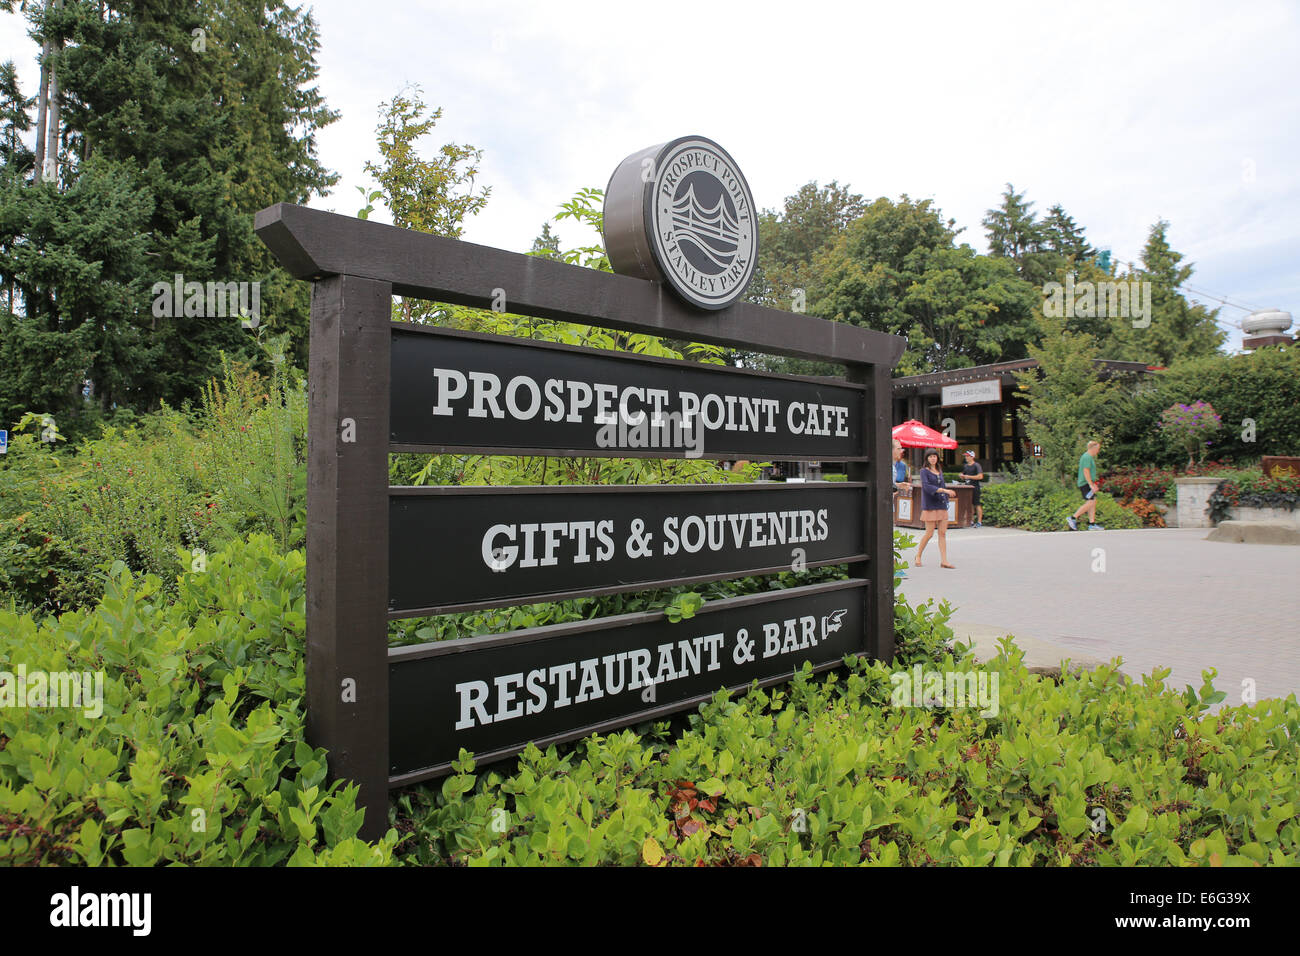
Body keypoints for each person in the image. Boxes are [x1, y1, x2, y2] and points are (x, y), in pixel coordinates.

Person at [914, 447, 957, 568]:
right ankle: (918, 555)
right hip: (930, 505)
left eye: (934, 456)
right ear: (927, 458)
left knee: (942, 533)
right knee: (929, 533)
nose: (933, 458)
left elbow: (942, 484)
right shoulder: (924, 471)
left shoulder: (939, 470)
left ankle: (944, 561)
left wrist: (946, 496)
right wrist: (945, 490)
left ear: (937, 458)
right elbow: (927, 487)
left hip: (941, 504)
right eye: (930, 456)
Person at [1067, 439, 1104, 531]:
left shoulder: (1088, 457)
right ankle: (1073, 518)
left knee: (1093, 501)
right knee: (1090, 502)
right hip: (1085, 483)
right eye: (1098, 449)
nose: (1098, 451)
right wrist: (1091, 484)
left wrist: (1093, 484)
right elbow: (1086, 471)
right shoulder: (1087, 457)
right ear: (1093, 448)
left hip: (1087, 483)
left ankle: (1092, 524)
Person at [960, 450, 985, 527]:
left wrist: (968, 476)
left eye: (968, 456)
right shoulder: (966, 466)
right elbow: (964, 476)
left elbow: (980, 476)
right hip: (967, 487)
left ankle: (979, 522)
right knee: (970, 505)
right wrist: (961, 476)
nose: (966, 457)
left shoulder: (977, 465)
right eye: (965, 456)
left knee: (977, 504)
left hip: (975, 487)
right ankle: (971, 520)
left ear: (972, 457)